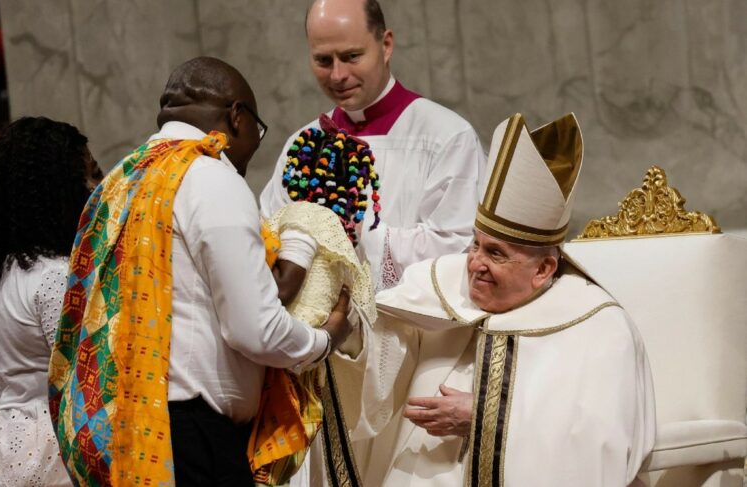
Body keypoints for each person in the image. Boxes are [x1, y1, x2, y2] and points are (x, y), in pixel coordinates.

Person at [48, 57, 354, 487]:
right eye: (256, 132)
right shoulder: (209, 175)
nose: (253, 146)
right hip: (190, 440)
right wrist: (325, 340)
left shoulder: (121, 179)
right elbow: (256, 330)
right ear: (236, 117)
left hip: (123, 426)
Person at [345, 113, 656, 486]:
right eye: (475, 244)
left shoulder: (598, 328)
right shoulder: (438, 287)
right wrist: (347, 334)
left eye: (495, 253)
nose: (474, 264)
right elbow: (375, 360)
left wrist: (485, 420)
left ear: (543, 270)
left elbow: (601, 444)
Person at [260, 0, 486, 291]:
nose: (338, 75)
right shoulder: (302, 145)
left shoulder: (447, 136)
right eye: (323, 60)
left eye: (352, 56)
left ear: (386, 44)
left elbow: (460, 246)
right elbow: (270, 238)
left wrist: (359, 233)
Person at [0, 117, 101, 487]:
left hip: (11, 443)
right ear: (58, 187)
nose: (97, 189)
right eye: (87, 176)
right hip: (58, 448)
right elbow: (85, 379)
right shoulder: (55, 274)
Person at [250, 117, 379, 486]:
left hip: (298, 354)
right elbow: (293, 287)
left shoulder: (301, 217)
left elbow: (291, 282)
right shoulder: (323, 225)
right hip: (306, 356)